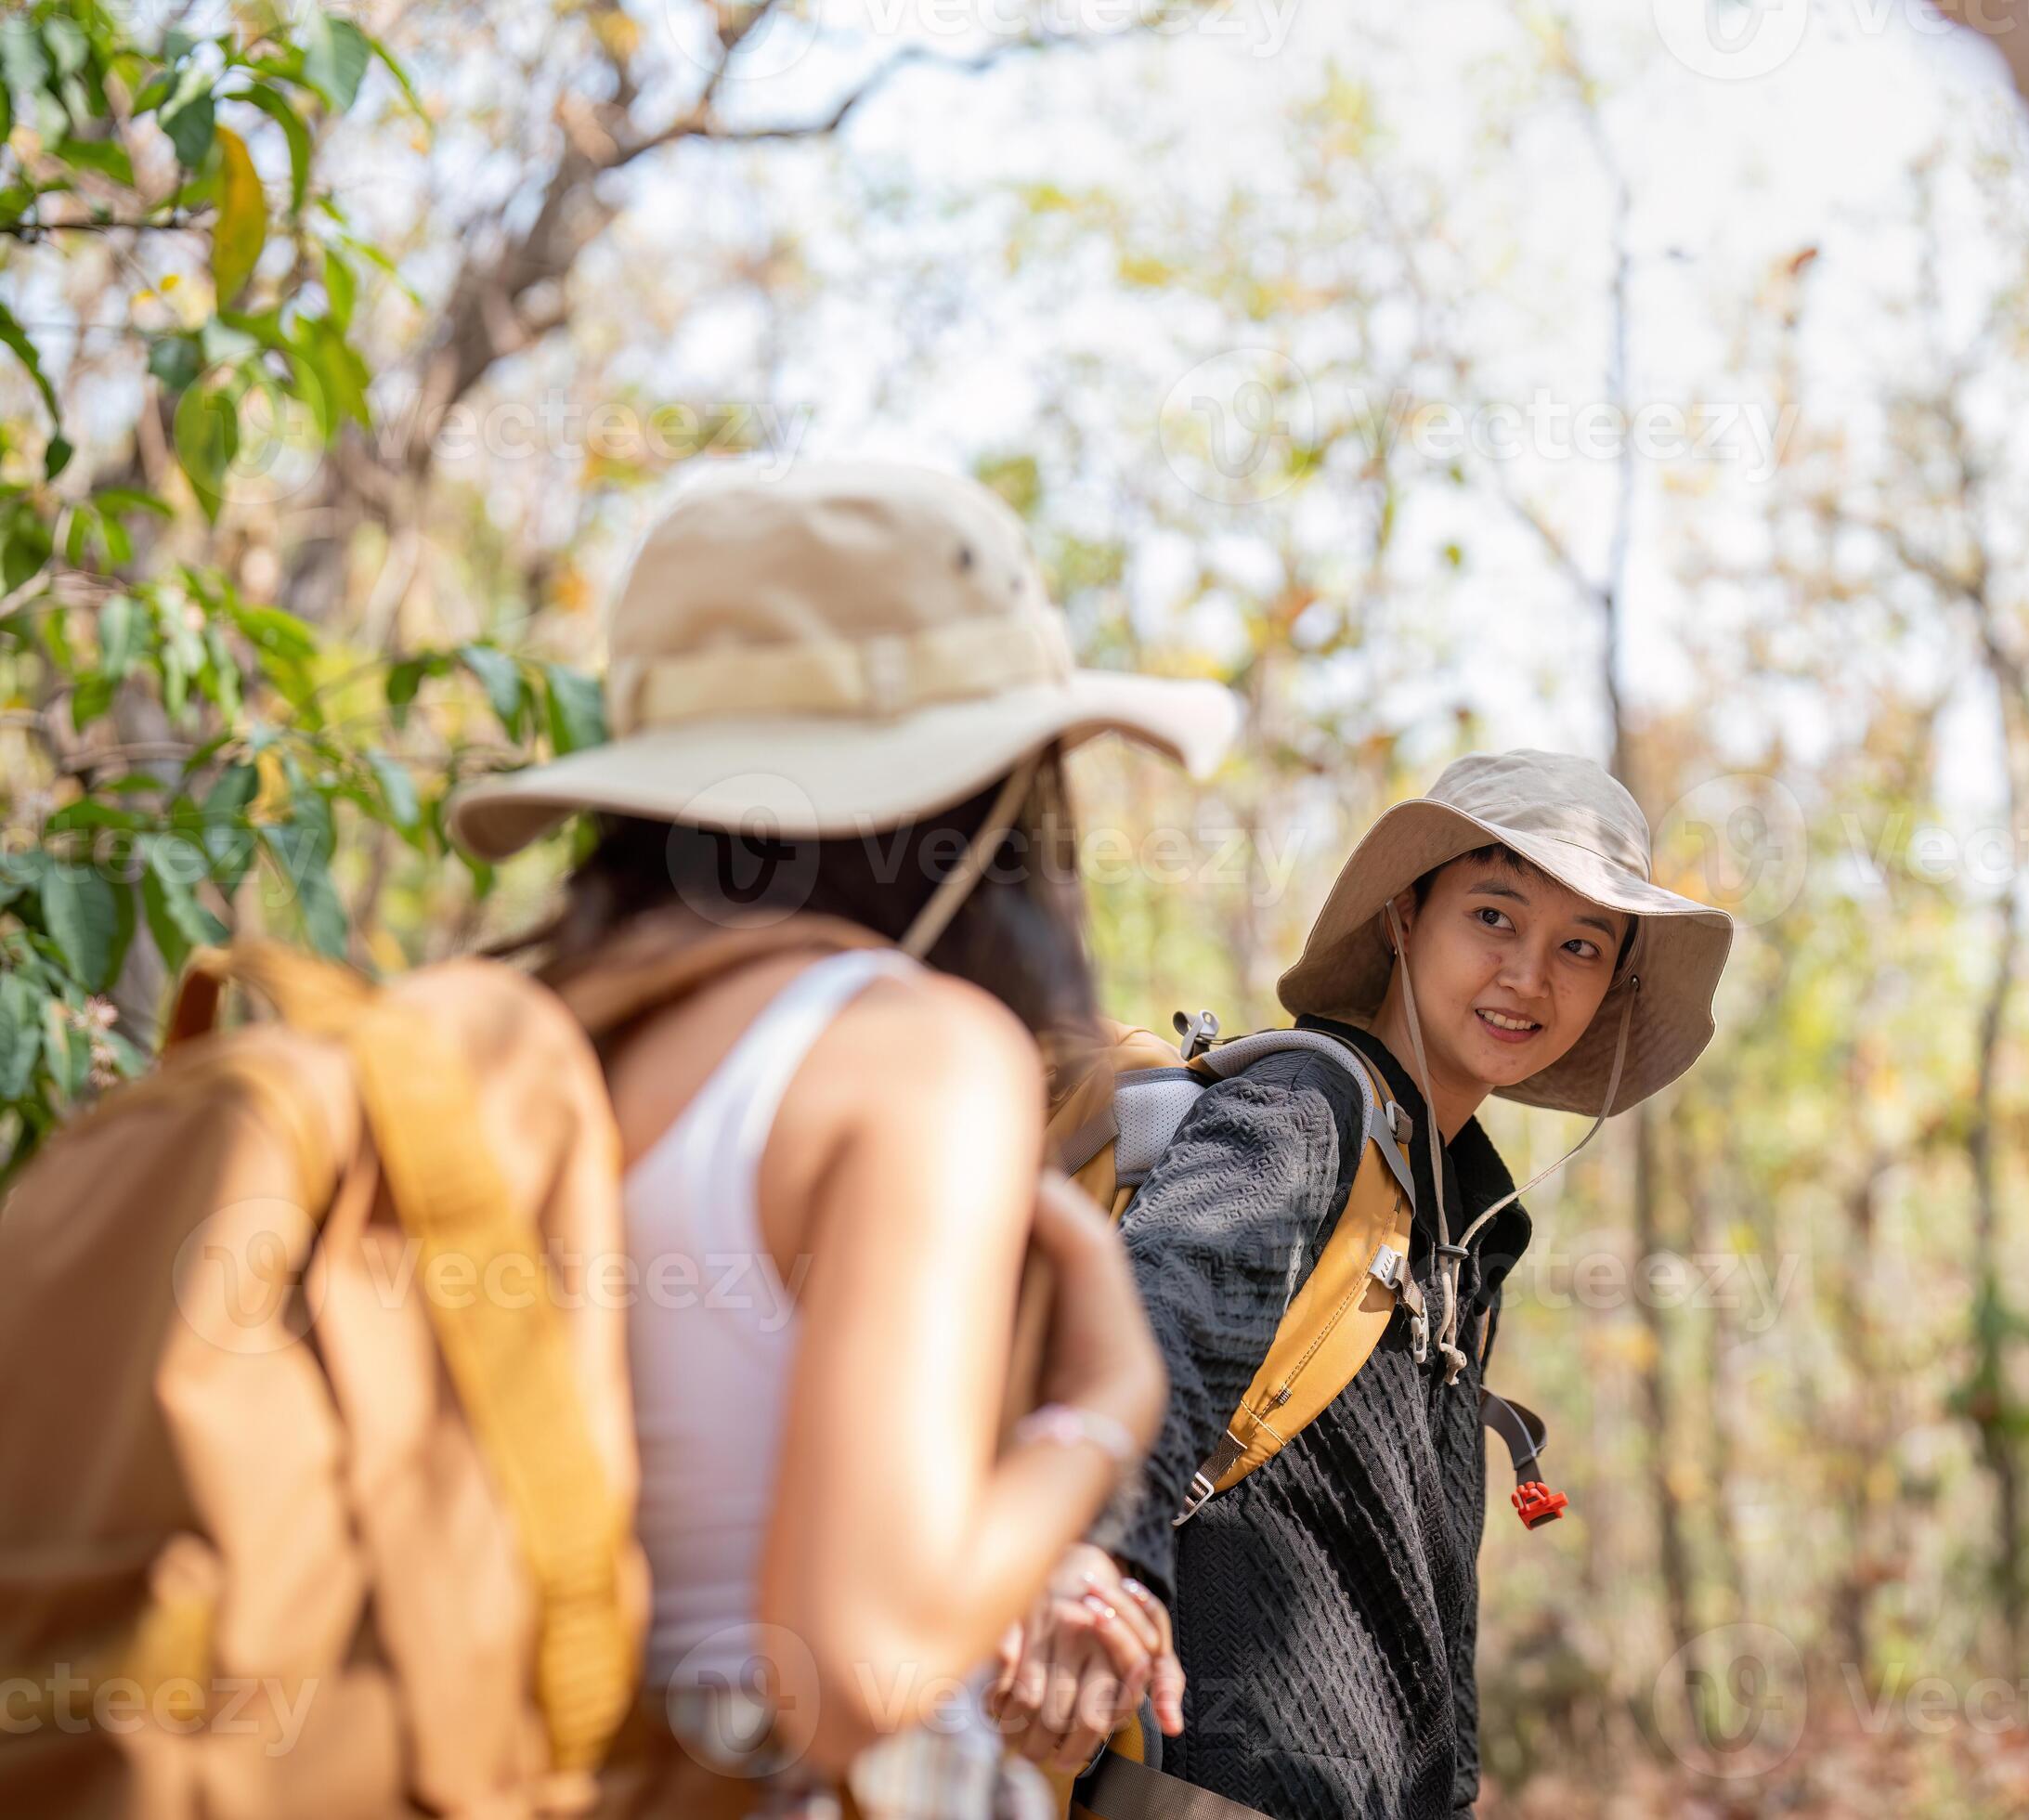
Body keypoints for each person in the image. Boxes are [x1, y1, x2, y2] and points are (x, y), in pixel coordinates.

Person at [448, 462, 1240, 1814]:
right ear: (988, 793)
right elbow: (851, 1668)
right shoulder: (911, 1053)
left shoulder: (507, 1038)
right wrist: (1103, 1414)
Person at [991, 749, 1736, 1820]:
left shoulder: (1451, 1216)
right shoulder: (1308, 1111)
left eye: (1580, 946)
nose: (1529, 974)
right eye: (1493, 916)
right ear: (1403, 916)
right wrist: (1103, 1561)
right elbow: (1161, 1326)